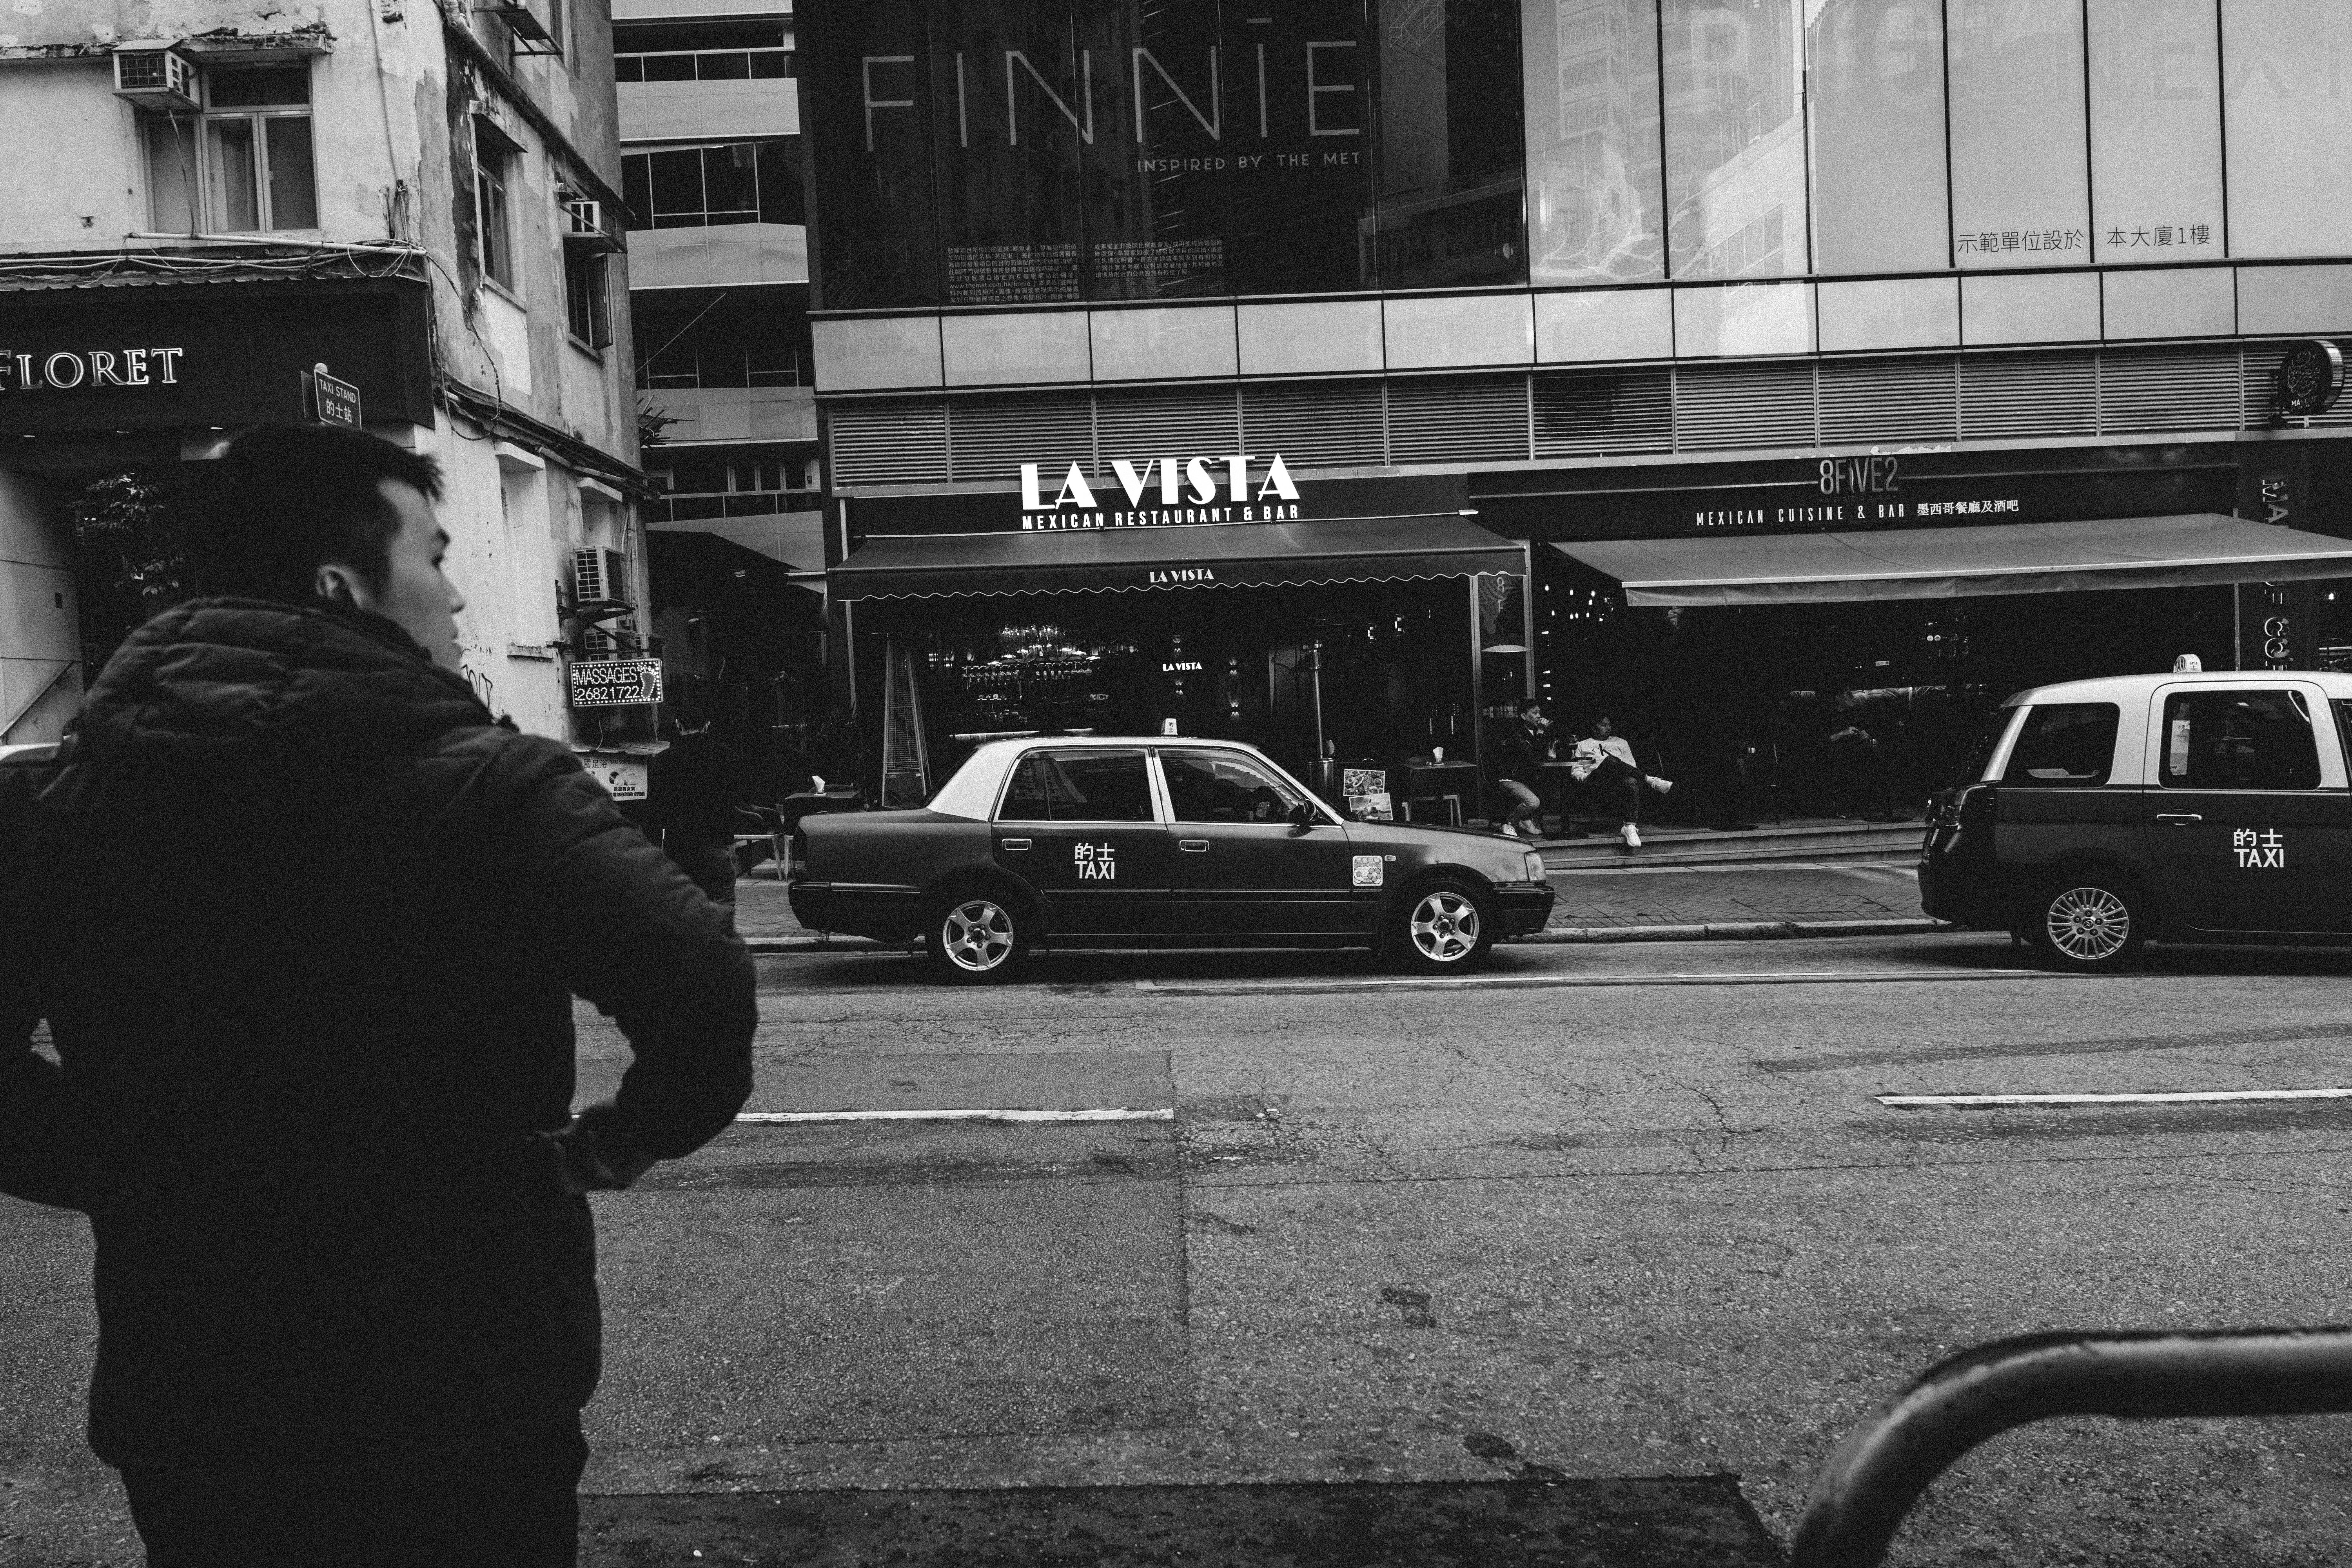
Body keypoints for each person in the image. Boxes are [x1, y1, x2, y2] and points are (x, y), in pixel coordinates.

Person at [0, 425, 756, 1568]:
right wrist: (607, 1146)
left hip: (203, 1393)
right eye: (438, 559)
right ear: (342, 587)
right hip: (463, 1386)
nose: (455, 597)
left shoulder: (62, 805)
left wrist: (133, 1167)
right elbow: (700, 983)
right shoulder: (495, 792)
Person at [649, 708, 746, 905]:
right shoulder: (726, 756)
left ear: (678, 725)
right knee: (722, 901)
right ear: (707, 726)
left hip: (679, 846)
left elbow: (655, 811)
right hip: (717, 841)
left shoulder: (661, 761)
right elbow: (739, 797)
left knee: (684, 905)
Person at [1569, 715, 1673, 849]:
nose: (1609, 728)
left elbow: (1631, 767)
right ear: (1594, 728)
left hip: (1618, 782)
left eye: (1610, 725)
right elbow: (1576, 771)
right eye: (1604, 725)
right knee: (1611, 761)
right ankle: (1651, 781)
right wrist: (1585, 778)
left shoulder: (1621, 742)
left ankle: (1630, 826)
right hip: (1595, 780)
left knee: (1630, 781)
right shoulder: (1583, 745)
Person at [1489, 699, 1552, 838]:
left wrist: (1543, 733)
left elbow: (1542, 754)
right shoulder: (1515, 733)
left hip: (1527, 778)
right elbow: (1531, 755)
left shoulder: (1536, 733)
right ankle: (1509, 823)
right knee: (1533, 802)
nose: (1539, 716)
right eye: (1535, 713)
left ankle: (1525, 819)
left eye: (1539, 713)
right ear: (1524, 716)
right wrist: (1541, 732)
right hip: (1510, 778)